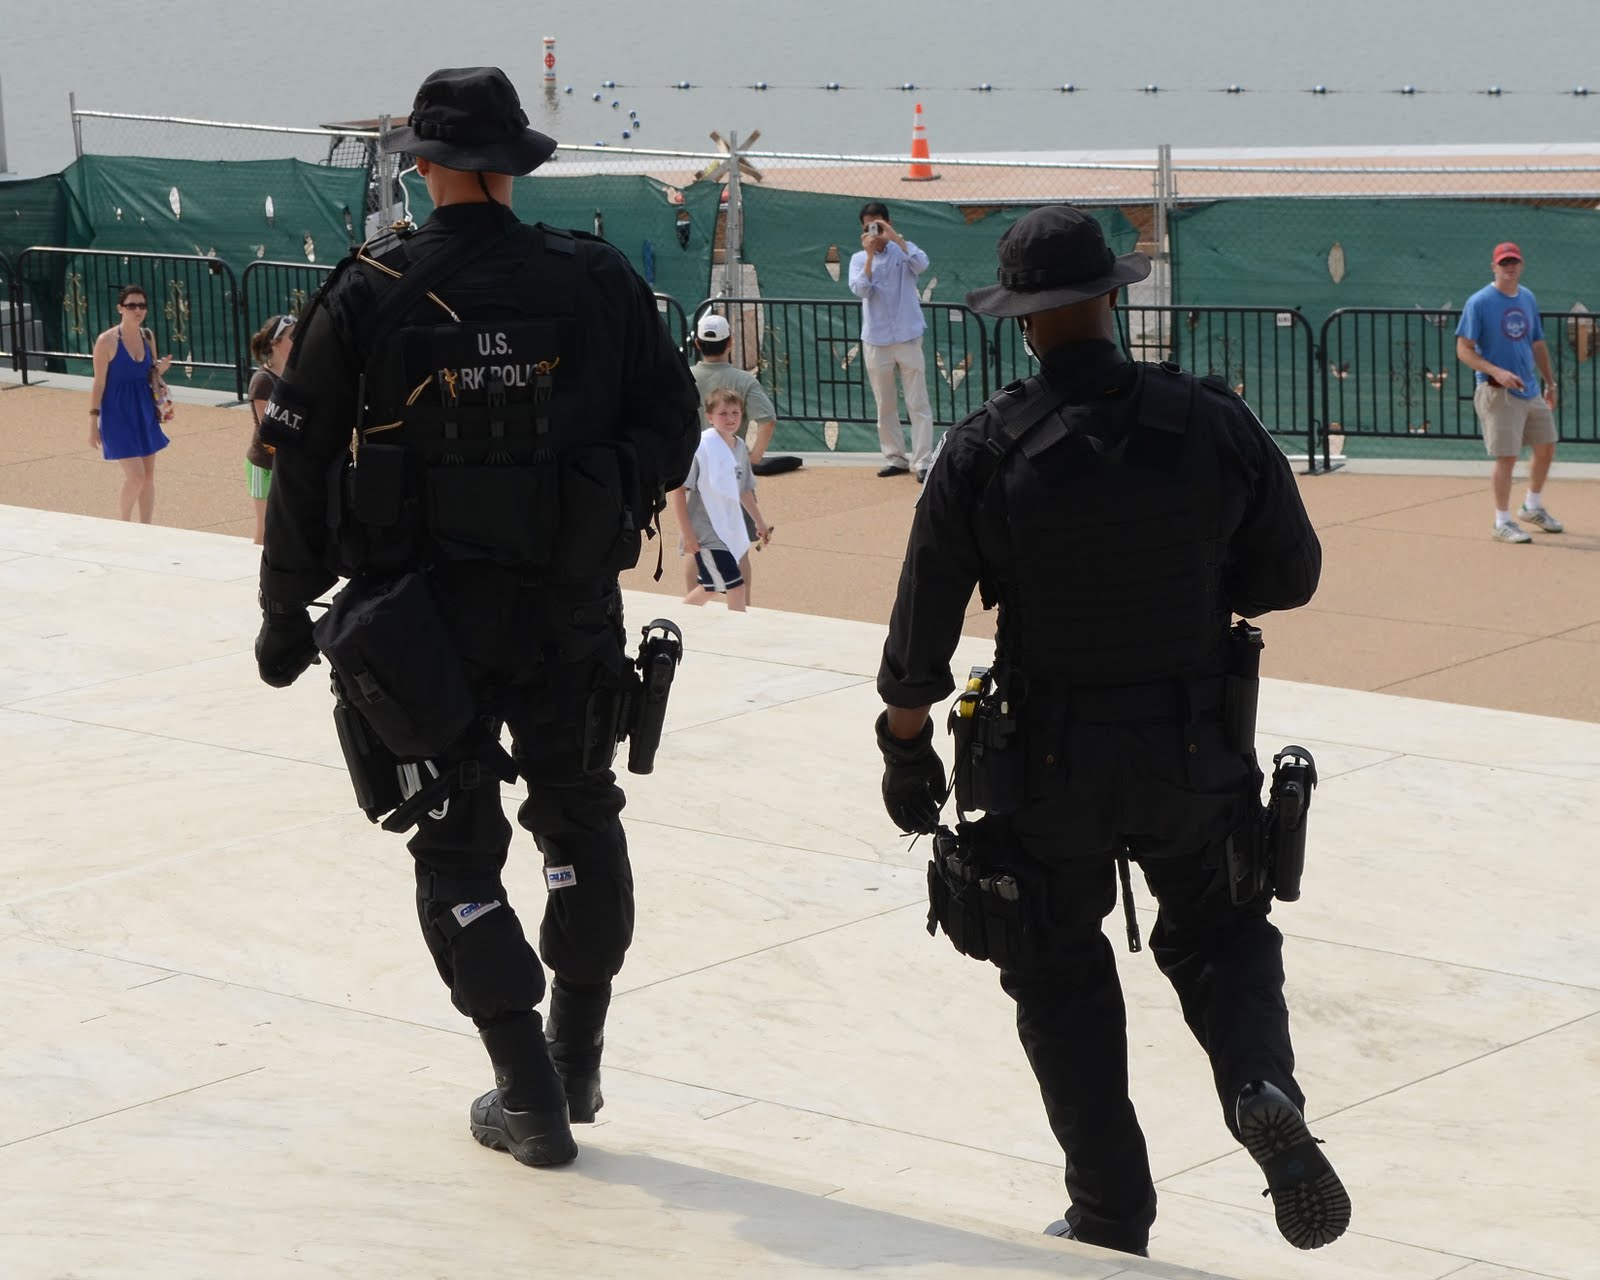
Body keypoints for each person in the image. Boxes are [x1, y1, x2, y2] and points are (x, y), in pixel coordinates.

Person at [873, 205, 1348, 1257]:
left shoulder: (987, 444)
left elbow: (922, 630)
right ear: (1111, 294)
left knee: (1055, 970)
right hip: (1192, 744)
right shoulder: (1211, 422)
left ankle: (1109, 1207)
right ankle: (1260, 1086)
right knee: (1221, 936)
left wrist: (904, 746)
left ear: (1025, 321)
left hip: (1046, 763)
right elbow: (1292, 576)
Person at [251, 67, 700, 1169]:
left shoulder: (368, 288)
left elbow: (299, 460)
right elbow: (673, 422)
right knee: (576, 817)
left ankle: (529, 1087)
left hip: (421, 625)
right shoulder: (593, 279)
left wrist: (281, 609)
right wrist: (594, 495)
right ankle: (575, 1053)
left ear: (423, 163)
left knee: (454, 844)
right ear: (513, 166)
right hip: (565, 610)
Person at [1455, 241, 1563, 543]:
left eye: (1514, 261)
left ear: (1521, 264)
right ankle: (1501, 521)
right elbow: (1463, 349)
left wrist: (1550, 382)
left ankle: (1533, 506)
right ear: (1494, 267)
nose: (1510, 267)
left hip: (1529, 390)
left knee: (1546, 447)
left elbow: (1537, 343)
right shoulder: (1479, 302)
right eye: (1504, 263)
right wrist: (1497, 372)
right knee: (1507, 456)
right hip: (1496, 392)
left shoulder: (1527, 297)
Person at [684, 312, 791, 600]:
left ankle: (693, 611)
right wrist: (754, 455)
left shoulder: (686, 377)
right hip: (732, 472)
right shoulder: (742, 380)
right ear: (730, 342)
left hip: (695, 471)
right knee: (737, 545)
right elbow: (767, 419)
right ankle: (741, 610)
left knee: (696, 546)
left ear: (697, 343)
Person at [848, 201, 935, 481]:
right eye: (868, 227)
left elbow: (922, 264)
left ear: (888, 222)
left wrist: (894, 237)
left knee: (917, 400)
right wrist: (870, 256)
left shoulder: (904, 250)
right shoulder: (858, 259)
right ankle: (895, 457)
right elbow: (861, 289)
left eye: (878, 224)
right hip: (877, 339)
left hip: (908, 336)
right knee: (885, 402)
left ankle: (923, 461)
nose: (874, 231)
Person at [670, 386, 771, 613]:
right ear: (709, 417)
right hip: (707, 532)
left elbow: (743, 490)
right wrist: (687, 533)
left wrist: (759, 522)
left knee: (712, 587)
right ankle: (737, 634)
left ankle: (680, 619)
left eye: (735, 413)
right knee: (735, 586)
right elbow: (678, 491)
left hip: (727, 529)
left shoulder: (739, 447)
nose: (730, 419)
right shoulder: (702, 448)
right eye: (723, 414)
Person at [87, 284, 172, 522]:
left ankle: (146, 528)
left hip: (144, 411)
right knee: (136, 476)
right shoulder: (106, 341)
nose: (138, 310)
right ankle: (123, 523)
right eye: (131, 305)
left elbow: (150, 373)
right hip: (117, 414)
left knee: (148, 477)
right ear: (120, 308)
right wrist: (93, 421)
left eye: (142, 305)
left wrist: (159, 369)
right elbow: (98, 384)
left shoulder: (147, 336)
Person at [246, 314, 295, 545]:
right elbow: (268, 426)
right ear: (275, 343)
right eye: (291, 337)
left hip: (286, 460)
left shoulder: (293, 376)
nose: (297, 340)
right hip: (264, 462)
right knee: (265, 529)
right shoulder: (263, 380)